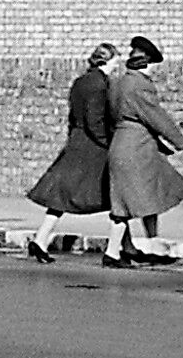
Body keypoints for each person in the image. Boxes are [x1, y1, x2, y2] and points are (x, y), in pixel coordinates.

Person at [20, 44, 118, 260]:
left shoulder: (80, 81)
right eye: (114, 60)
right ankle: (117, 250)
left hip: (76, 141)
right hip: (92, 148)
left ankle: (40, 239)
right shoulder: (100, 85)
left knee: (61, 195)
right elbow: (95, 120)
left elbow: (74, 115)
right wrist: (108, 142)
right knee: (117, 196)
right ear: (106, 61)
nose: (116, 65)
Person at [102, 35, 183, 266]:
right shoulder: (140, 86)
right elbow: (156, 117)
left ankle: (152, 246)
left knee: (145, 197)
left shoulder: (118, 83)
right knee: (126, 203)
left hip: (121, 144)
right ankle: (112, 253)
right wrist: (182, 143)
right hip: (137, 150)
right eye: (152, 66)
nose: (153, 71)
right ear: (146, 63)